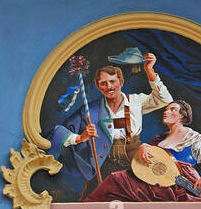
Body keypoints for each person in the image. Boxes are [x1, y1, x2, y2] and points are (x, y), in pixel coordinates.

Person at [49, 53, 171, 190]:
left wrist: (149, 70)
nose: (109, 87)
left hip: (136, 160)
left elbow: (164, 99)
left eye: (113, 81)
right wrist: (81, 138)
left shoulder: (136, 101)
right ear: (97, 86)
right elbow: (62, 131)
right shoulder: (90, 110)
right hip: (104, 164)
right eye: (103, 83)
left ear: (121, 82)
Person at [85, 100, 201, 202]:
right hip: (151, 183)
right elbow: (144, 165)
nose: (166, 112)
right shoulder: (159, 140)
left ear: (182, 116)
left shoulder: (196, 140)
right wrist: (144, 147)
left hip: (178, 187)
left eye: (172, 109)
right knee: (114, 179)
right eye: (165, 109)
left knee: (116, 180)